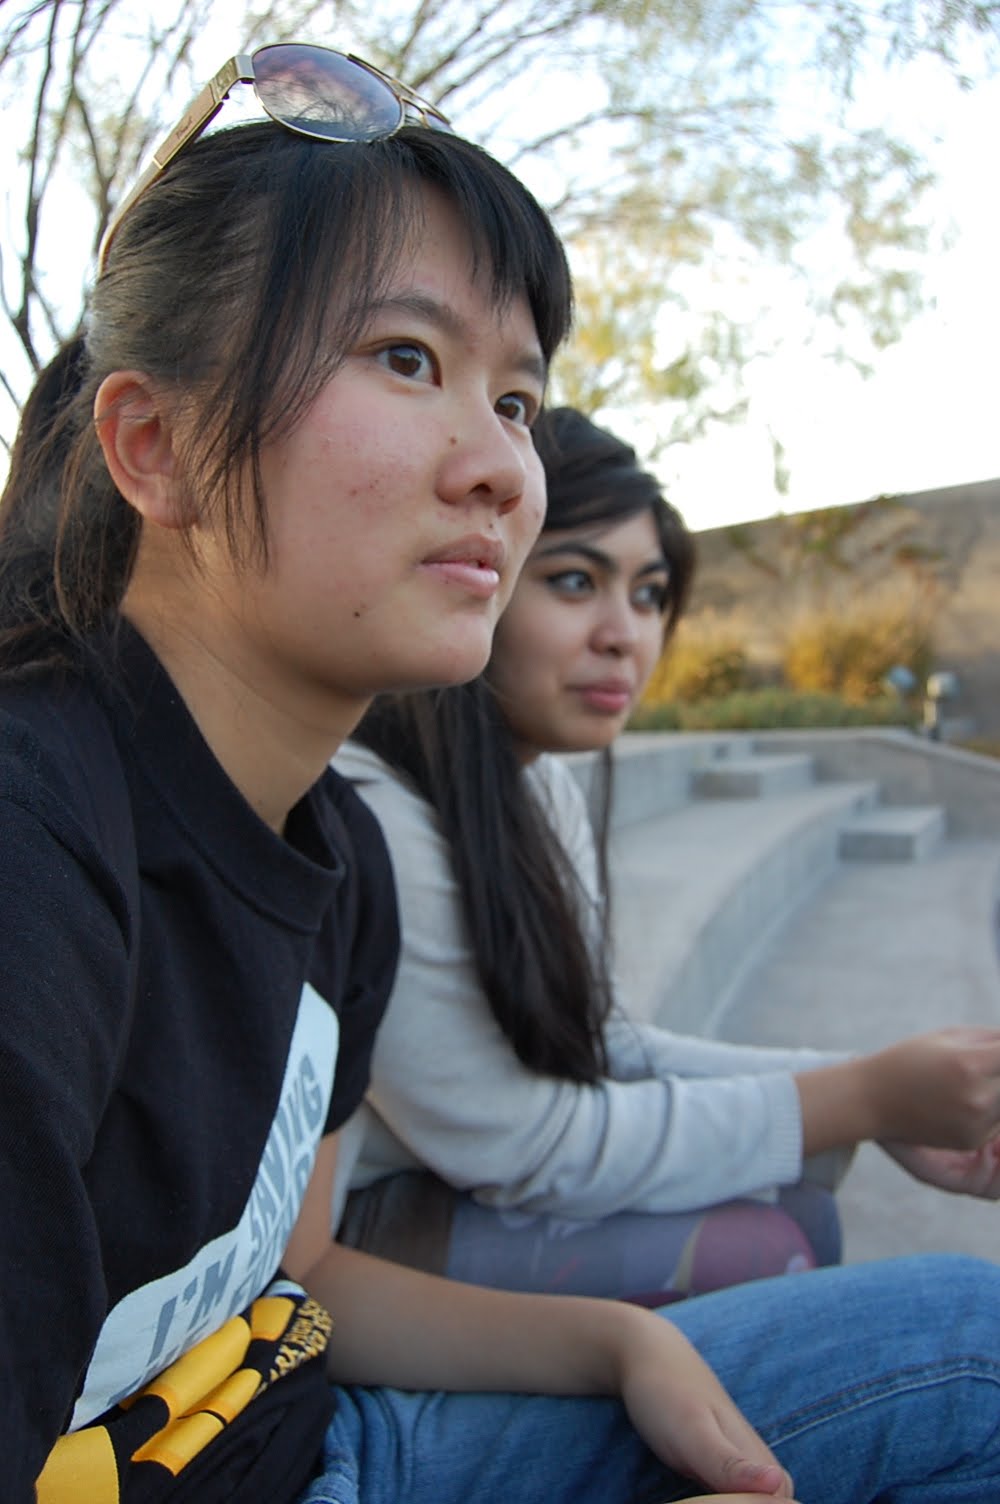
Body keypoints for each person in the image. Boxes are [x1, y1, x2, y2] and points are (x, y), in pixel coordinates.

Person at [5, 42, 1000, 1504]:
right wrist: (853, 1097)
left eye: (519, 400)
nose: (501, 469)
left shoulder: (334, 858)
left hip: (332, 1439)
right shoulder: (37, 856)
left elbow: (293, 1283)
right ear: (156, 448)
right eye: (408, 359)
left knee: (970, 1348)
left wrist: (614, 1342)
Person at [334, 404, 1000, 1304]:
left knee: (800, 1205)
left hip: (454, 1175)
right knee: (775, 1244)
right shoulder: (374, 810)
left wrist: (870, 1091)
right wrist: (860, 1099)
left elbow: (605, 1044)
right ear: (479, 572)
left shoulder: (537, 786)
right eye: (575, 581)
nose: (625, 634)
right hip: (354, 1239)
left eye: (649, 595)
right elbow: (523, 1141)